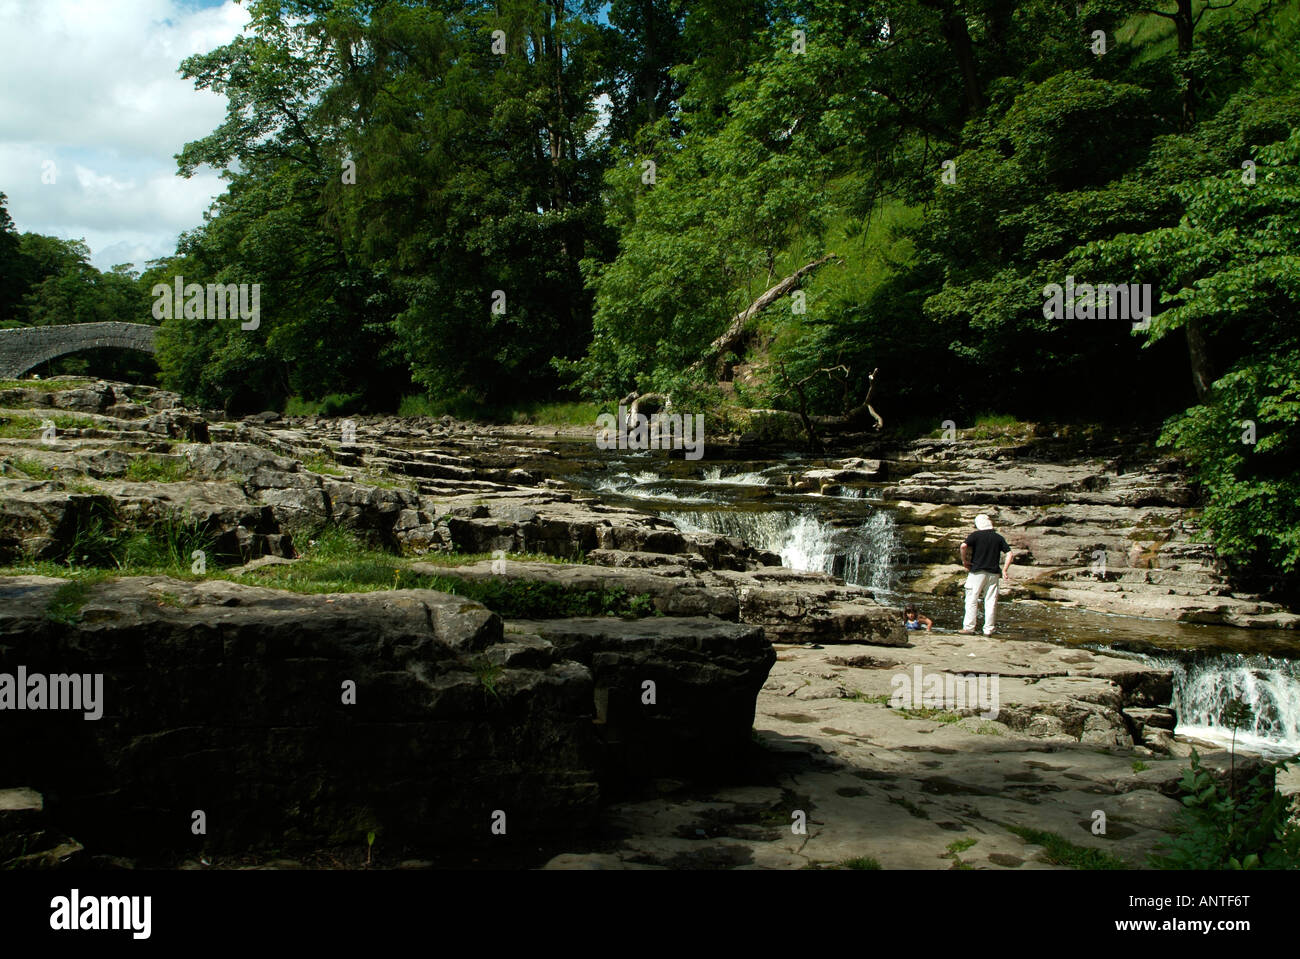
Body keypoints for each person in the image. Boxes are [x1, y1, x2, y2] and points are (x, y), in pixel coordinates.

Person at [959, 514, 1012, 636]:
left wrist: (964, 561)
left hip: (977, 572)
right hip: (993, 573)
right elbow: (1010, 554)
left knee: (972, 599)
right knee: (990, 601)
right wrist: (1004, 570)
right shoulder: (998, 538)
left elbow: (963, 546)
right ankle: (988, 630)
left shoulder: (976, 535)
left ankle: (969, 627)